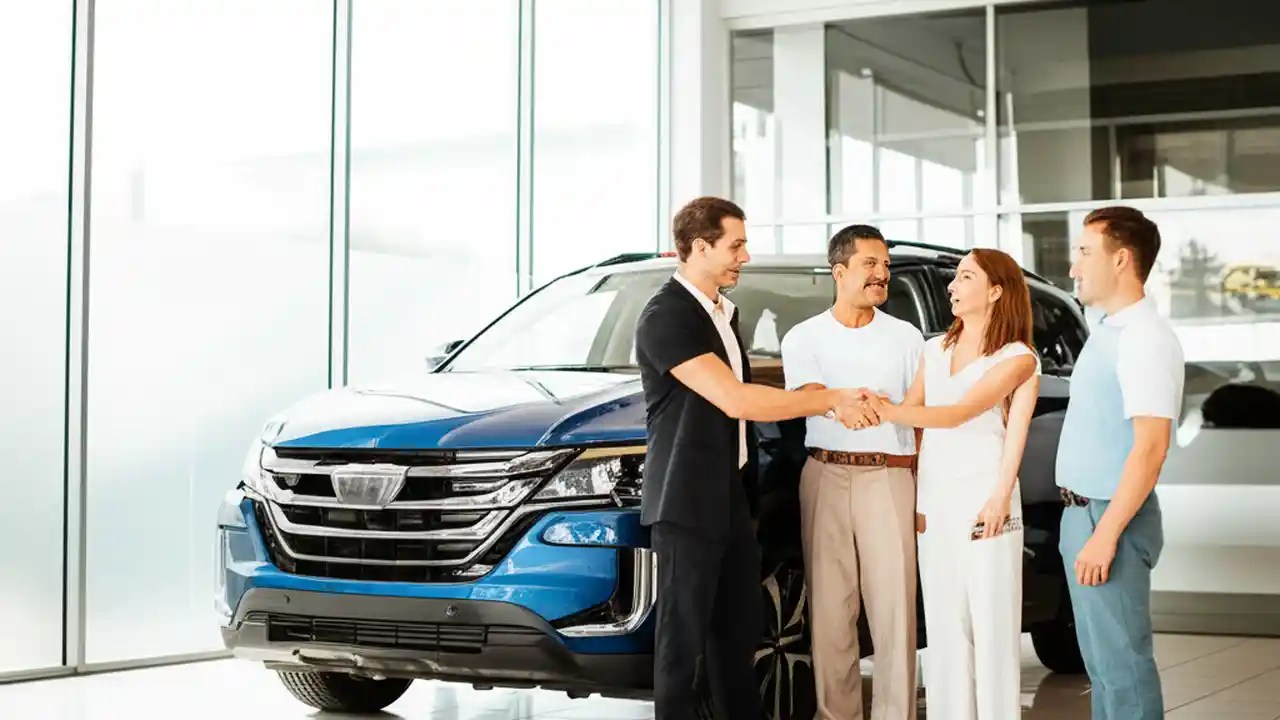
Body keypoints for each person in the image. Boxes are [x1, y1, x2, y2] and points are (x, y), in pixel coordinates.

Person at [634, 196, 871, 720]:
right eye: (735, 245)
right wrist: (829, 398)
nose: (745, 255)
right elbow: (736, 399)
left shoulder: (721, 311)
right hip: (686, 505)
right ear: (699, 247)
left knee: (735, 644)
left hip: (732, 502)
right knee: (682, 652)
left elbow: (742, 394)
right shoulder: (668, 315)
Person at [868, 248, 1041, 719]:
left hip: (987, 496)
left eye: (965, 277)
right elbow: (917, 424)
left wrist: (1000, 498)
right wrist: (918, 496)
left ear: (996, 291)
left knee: (992, 624)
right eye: (956, 278)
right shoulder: (933, 349)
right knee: (943, 626)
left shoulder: (1018, 357)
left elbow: (963, 414)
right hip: (937, 500)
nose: (953, 286)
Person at [779, 224, 925, 720]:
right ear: (839, 271)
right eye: (870, 264)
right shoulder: (803, 337)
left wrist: (923, 492)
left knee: (894, 612)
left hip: (889, 477)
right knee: (830, 611)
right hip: (824, 475)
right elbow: (809, 394)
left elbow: (920, 415)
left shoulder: (906, 338)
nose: (882, 273)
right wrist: (842, 407)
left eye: (885, 265)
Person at [1054, 206, 1184, 719]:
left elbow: (1151, 448)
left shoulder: (1144, 339)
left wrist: (1104, 534)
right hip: (1084, 514)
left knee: (1124, 667)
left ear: (1122, 259)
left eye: (1085, 252)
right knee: (1104, 668)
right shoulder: (1107, 329)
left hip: (1110, 519)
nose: (1073, 267)